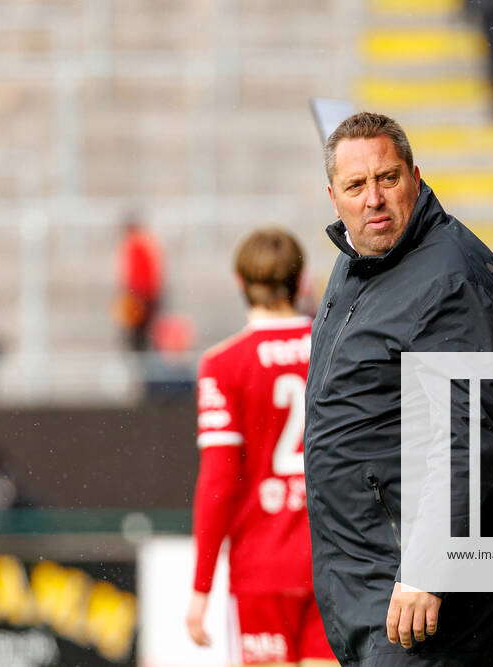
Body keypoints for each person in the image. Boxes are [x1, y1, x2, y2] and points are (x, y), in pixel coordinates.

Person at [303, 112, 493, 665]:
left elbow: (464, 437)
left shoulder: (451, 277)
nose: (374, 199)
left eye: (388, 178)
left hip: (426, 594)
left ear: (416, 177)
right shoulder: (361, 260)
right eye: (357, 186)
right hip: (370, 578)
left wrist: (427, 569)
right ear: (334, 198)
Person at [186, 229, 336, 666]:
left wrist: (201, 587)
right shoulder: (335, 350)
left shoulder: (223, 363)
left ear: (239, 281)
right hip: (335, 561)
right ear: (302, 280)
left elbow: (219, 481)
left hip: (263, 568)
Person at [115, 214, 164, 353]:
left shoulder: (136, 244)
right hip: (146, 295)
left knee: (138, 336)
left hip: (140, 296)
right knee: (144, 335)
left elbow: (134, 275)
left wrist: (131, 295)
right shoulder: (146, 242)